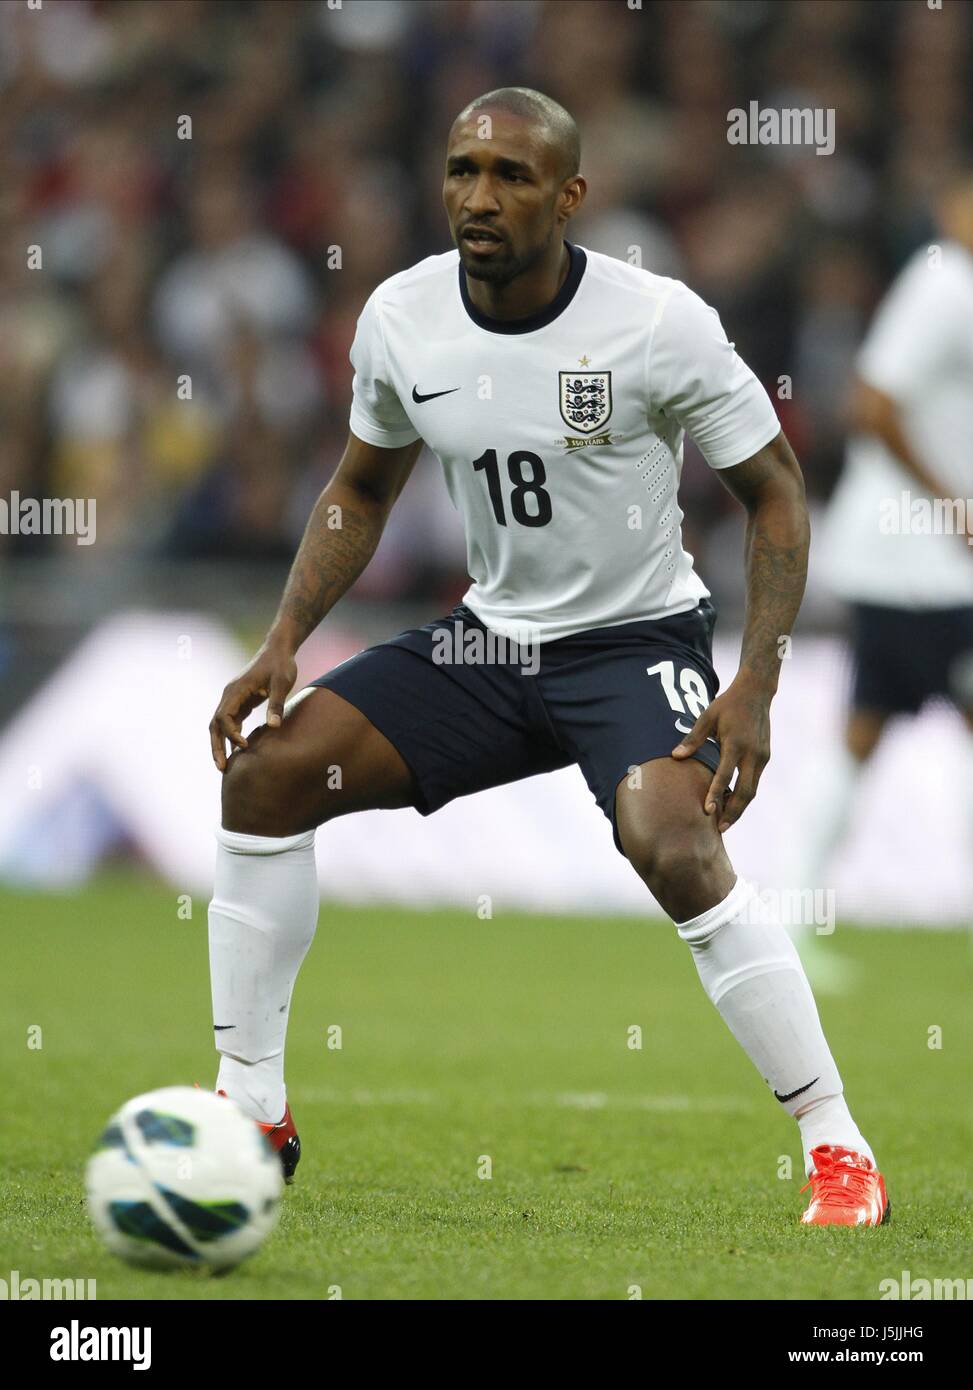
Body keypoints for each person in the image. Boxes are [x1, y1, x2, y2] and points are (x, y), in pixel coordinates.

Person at [207, 88, 888, 1226]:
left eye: (512, 177)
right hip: (489, 637)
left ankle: (834, 1142)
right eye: (464, 170)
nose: (480, 195)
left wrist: (754, 681)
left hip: (631, 641)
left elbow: (775, 494)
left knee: (672, 839)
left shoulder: (657, 322)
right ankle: (249, 1109)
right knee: (265, 774)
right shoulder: (403, 316)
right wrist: (283, 640)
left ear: (570, 197)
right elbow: (361, 487)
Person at [805, 167, 973, 902]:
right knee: (862, 732)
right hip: (920, 564)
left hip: (918, 566)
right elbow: (870, 404)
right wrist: (951, 504)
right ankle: (795, 901)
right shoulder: (943, 285)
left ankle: (795, 901)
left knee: (863, 730)